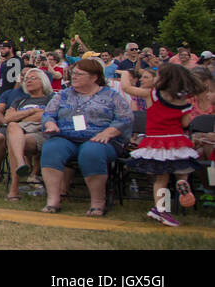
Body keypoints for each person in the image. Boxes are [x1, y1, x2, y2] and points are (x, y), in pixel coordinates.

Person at [39, 58, 132, 216]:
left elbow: (125, 118)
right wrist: (50, 124)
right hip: (66, 137)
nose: (73, 76)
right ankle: (53, 199)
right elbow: (48, 114)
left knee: (91, 152)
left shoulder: (111, 96)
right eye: (73, 73)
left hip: (100, 139)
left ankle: (98, 202)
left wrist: (108, 132)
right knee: (51, 148)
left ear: (94, 77)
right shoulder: (63, 94)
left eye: (79, 74)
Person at [127, 64, 206, 226]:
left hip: (157, 141)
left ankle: (162, 209)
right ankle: (182, 182)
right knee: (182, 170)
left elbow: (127, 88)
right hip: (177, 141)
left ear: (163, 79)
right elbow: (185, 123)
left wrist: (123, 74)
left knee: (161, 179)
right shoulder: (183, 101)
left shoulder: (152, 95)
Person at [0, 69, 54, 201]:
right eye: (26, 79)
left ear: (43, 81)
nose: (28, 81)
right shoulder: (20, 100)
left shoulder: (51, 98)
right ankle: (20, 162)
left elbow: (46, 116)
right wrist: (32, 111)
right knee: (13, 128)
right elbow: (7, 119)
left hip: (40, 132)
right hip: (19, 132)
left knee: (13, 138)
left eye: (33, 78)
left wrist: (21, 116)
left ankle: (14, 189)